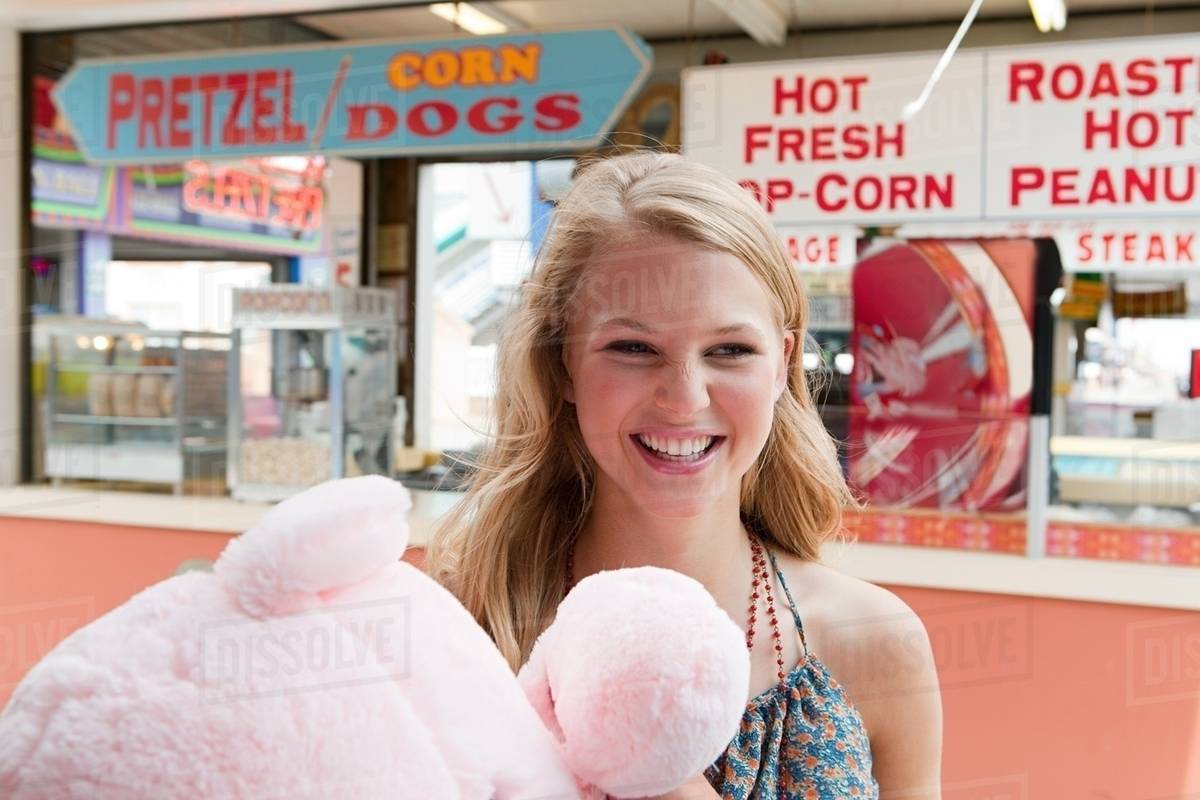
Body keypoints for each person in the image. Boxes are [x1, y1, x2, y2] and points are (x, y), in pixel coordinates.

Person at [426, 151, 943, 799]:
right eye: (633, 348)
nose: (685, 397)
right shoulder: (462, 627)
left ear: (780, 365)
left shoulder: (876, 641)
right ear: (562, 367)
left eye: (730, 350)